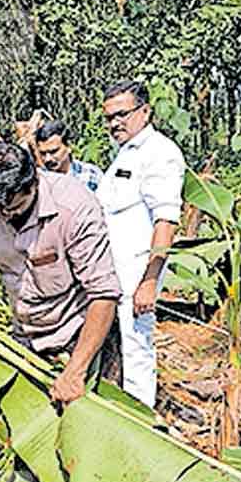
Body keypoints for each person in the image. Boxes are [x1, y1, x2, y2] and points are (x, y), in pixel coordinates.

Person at [0, 141, 121, 404]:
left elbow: (104, 293)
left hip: (81, 334)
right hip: (26, 337)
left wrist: (75, 371)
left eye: (14, 208)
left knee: (92, 419)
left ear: (34, 184)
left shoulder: (74, 205)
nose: (6, 217)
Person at [96, 80, 186, 407]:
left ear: (145, 111)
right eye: (109, 117)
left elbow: (166, 221)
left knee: (137, 348)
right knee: (115, 345)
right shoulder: (123, 154)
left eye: (122, 114)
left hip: (136, 273)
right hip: (110, 273)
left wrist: (149, 281)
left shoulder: (159, 153)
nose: (115, 123)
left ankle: (140, 416)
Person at [34, 120, 103, 192]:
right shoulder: (39, 181)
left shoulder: (90, 174)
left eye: (53, 151)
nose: (48, 159)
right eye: (43, 153)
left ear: (69, 146)